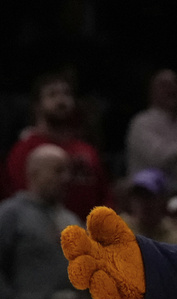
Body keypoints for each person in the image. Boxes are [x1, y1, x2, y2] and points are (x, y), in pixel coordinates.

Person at [2, 73, 111, 221]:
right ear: (37, 106)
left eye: (66, 94)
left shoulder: (87, 150)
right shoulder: (25, 150)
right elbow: (18, 198)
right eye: (52, 95)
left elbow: (104, 195)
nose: (61, 100)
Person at [0, 144, 80, 299]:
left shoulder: (71, 219)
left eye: (68, 171)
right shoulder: (11, 214)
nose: (66, 178)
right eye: (58, 171)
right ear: (34, 173)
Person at [125, 69, 177, 194]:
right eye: (165, 85)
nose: (172, 89)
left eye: (176, 84)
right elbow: (159, 161)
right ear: (152, 92)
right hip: (154, 196)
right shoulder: (142, 123)